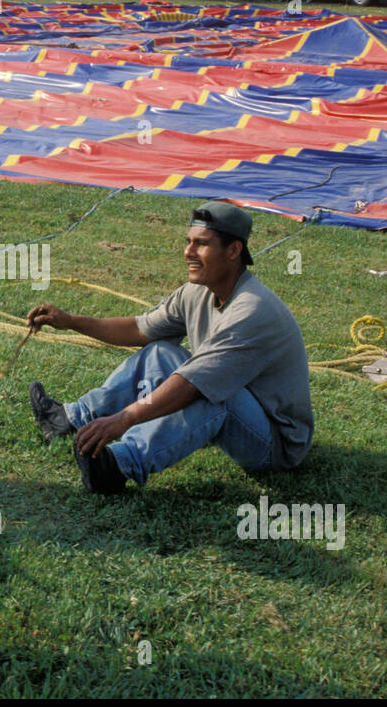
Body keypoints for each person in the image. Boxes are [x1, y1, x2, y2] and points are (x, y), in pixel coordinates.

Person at [27, 202, 313, 493]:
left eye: (201, 244)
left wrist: (123, 420)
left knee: (211, 393)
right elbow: (140, 329)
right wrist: (71, 321)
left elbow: (193, 385)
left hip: (274, 444)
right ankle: (70, 419)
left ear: (234, 250)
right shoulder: (197, 291)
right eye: (188, 242)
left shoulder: (251, 309)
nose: (188, 252)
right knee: (160, 352)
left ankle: (119, 466)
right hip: (238, 407)